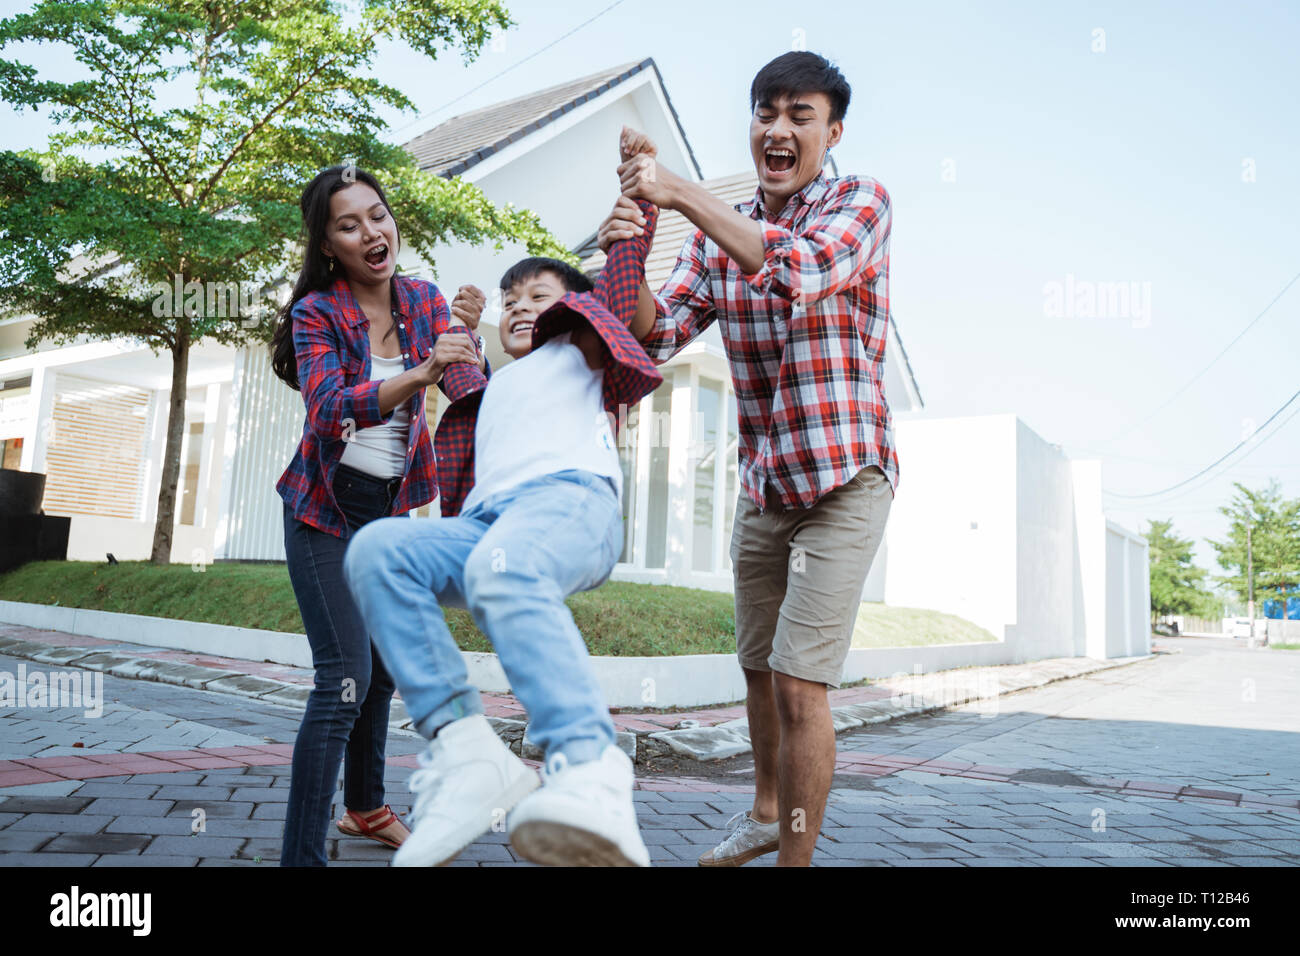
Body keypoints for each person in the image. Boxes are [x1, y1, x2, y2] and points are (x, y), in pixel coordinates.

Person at [601, 52, 897, 867]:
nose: (779, 128)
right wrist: (630, 244)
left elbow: (797, 268)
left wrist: (680, 191)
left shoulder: (859, 202)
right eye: (767, 111)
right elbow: (656, 331)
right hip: (765, 478)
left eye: (801, 114)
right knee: (758, 668)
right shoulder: (715, 223)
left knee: (802, 680)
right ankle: (767, 811)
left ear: (831, 132)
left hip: (846, 473)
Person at [342, 129, 663, 867]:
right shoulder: (491, 388)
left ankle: (590, 766)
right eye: (512, 301)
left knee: (501, 567)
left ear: (572, 308)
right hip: (490, 523)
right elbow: (456, 368)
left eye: (538, 297)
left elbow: (616, 286)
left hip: (570, 503)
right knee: (380, 551)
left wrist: (635, 199)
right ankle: (468, 751)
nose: (522, 308)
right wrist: (459, 321)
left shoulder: (580, 347)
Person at [269, 164, 487, 866]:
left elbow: (459, 385)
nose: (371, 231)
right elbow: (330, 409)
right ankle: (301, 856)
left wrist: (467, 339)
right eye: (348, 223)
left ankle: (365, 810)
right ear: (327, 244)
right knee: (343, 681)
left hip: (390, 511)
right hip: (324, 512)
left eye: (377, 214)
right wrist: (419, 373)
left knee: (386, 667)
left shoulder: (423, 300)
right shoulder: (317, 314)